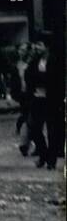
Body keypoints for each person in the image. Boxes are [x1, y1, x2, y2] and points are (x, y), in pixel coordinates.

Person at [24, 36, 63, 168]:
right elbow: (28, 76)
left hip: (52, 100)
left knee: (52, 131)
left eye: (39, 45)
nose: (36, 47)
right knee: (34, 128)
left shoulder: (55, 60)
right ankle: (43, 153)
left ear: (46, 47)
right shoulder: (34, 61)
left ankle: (51, 161)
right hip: (37, 98)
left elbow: (58, 80)